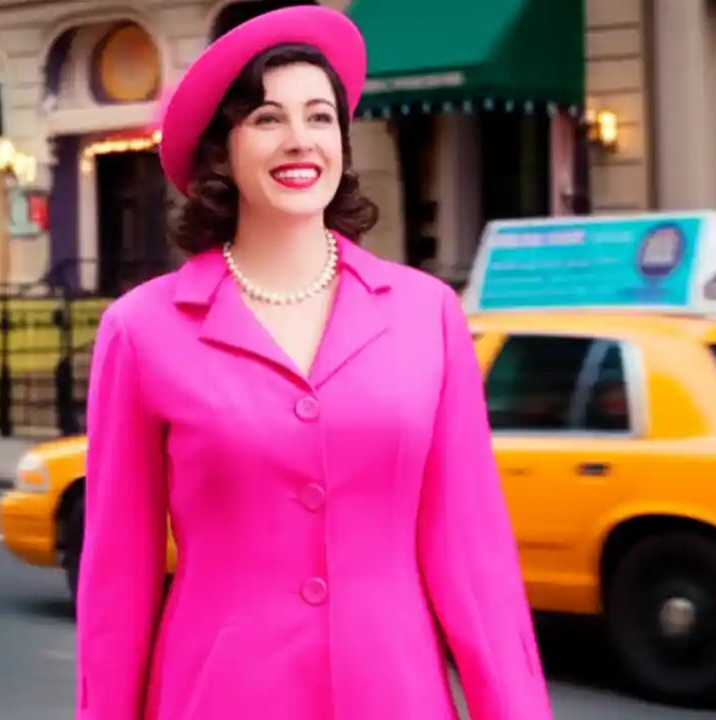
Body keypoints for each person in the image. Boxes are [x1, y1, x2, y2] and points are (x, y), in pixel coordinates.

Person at [75, 6, 552, 719]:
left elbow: (473, 556)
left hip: (397, 695)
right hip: (217, 695)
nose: (300, 140)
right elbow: (119, 579)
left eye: (320, 117)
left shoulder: (427, 316)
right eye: (267, 119)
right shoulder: (141, 332)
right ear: (221, 151)